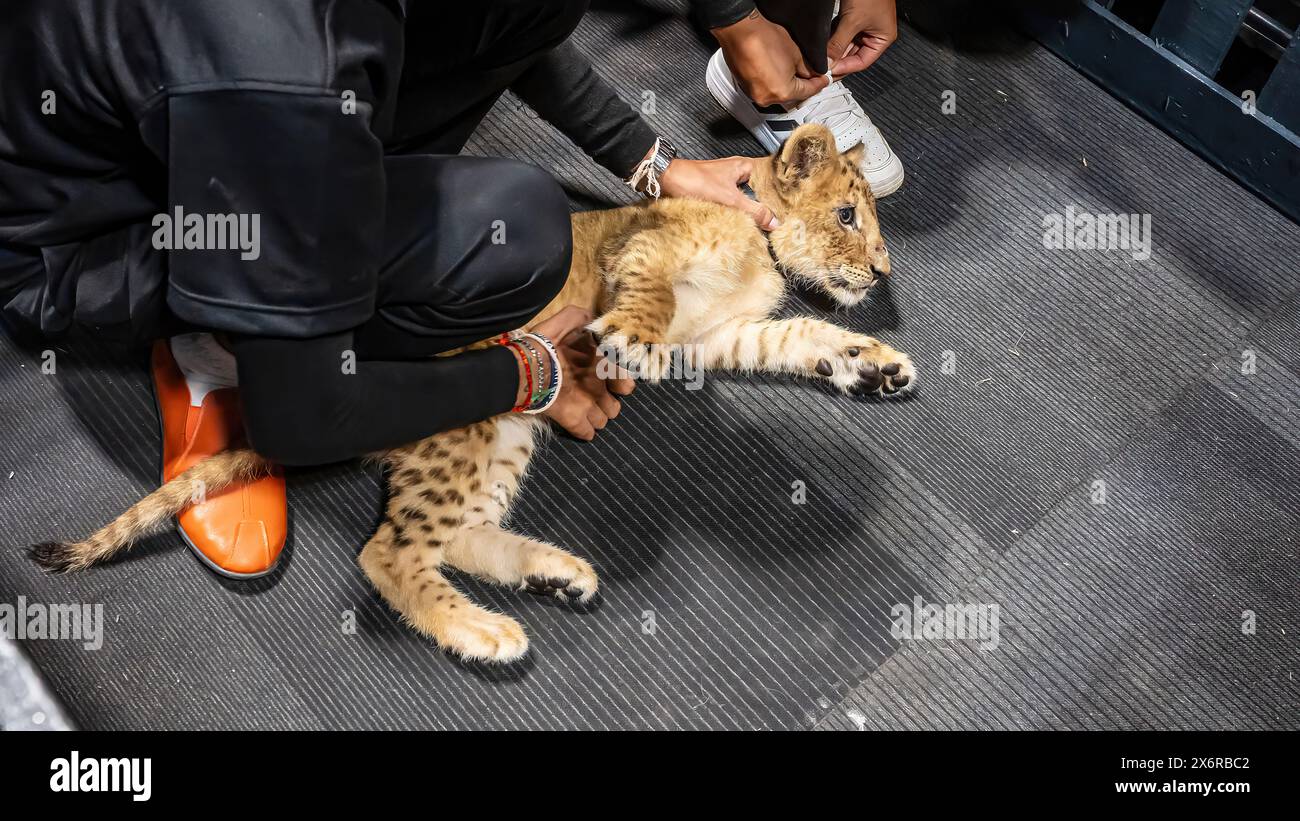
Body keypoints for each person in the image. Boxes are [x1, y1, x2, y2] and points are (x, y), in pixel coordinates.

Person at [0, 0, 899, 578]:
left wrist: (654, 162)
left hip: (225, 125)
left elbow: (514, 30)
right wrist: (533, 374)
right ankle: (215, 348)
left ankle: (290, 272)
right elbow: (302, 420)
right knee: (519, 230)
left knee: (488, 197)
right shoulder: (280, 64)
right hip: (101, 239)